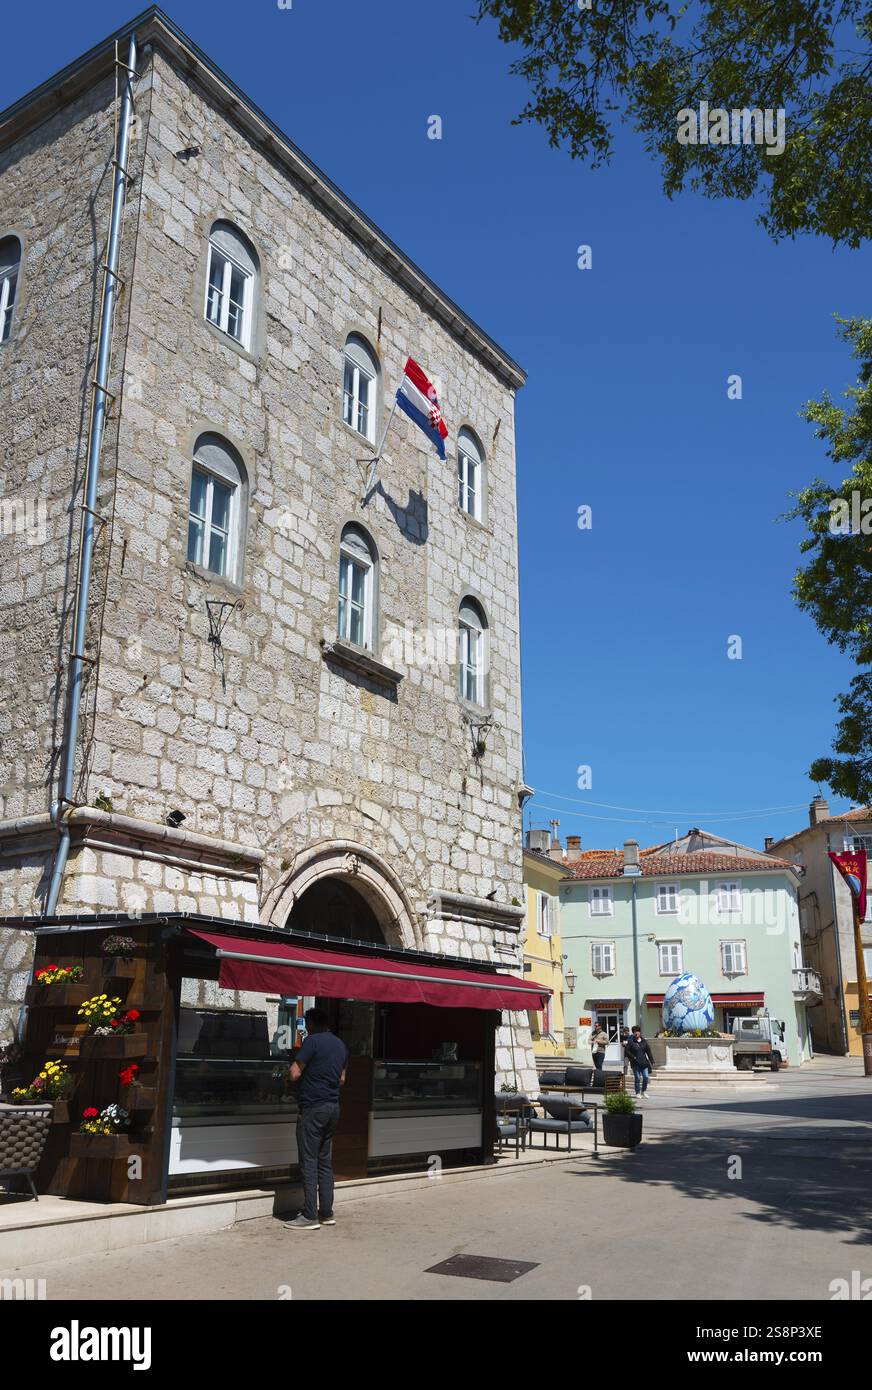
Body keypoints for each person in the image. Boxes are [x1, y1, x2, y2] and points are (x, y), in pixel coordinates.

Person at [285, 1007, 349, 1230]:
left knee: (309, 1161)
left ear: (311, 1023)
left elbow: (294, 1073)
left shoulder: (312, 1042)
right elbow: (342, 1079)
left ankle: (309, 1215)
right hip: (333, 1107)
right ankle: (327, 1213)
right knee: (324, 1160)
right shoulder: (340, 1045)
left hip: (313, 1107)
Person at [624, 1025, 655, 1097]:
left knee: (646, 1077)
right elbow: (627, 1051)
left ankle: (643, 1091)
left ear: (640, 1032)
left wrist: (652, 1060)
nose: (636, 1033)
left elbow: (648, 1051)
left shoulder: (644, 1041)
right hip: (635, 1063)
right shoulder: (631, 1041)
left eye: (637, 1031)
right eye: (634, 1031)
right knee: (637, 1078)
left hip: (644, 1063)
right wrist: (633, 1057)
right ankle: (637, 1092)